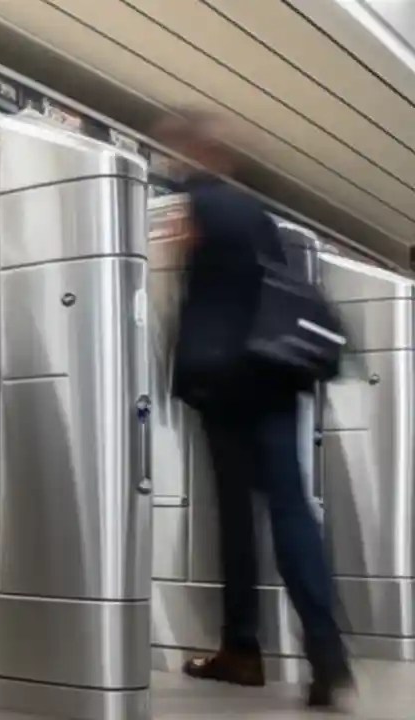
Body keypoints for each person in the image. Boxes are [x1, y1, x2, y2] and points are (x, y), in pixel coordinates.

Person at [157, 110, 352, 708]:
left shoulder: (195, 205)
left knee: (237, 519)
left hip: (225, 378)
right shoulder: (259, 215)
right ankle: (326, 650)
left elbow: (181, 279)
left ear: (194, 153)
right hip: (277, 372)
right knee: (291, 508)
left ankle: (242, 649)